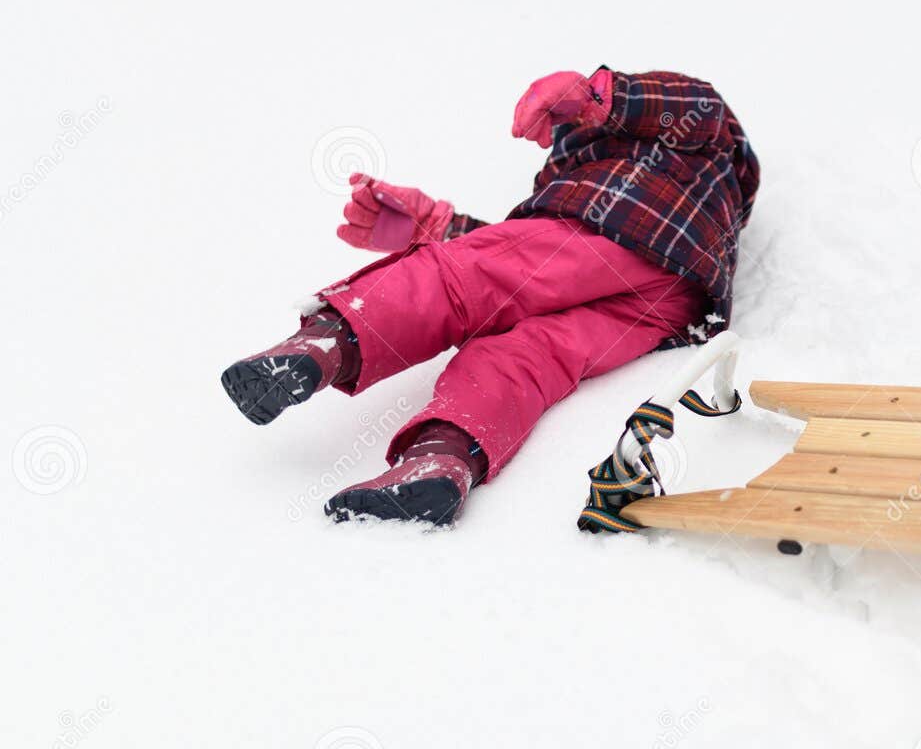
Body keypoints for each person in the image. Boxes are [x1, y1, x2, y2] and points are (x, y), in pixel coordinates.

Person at [220, 67, 759, 527]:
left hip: (618, 237)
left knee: (463, 280)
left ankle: (325, 345)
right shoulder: (575, 180)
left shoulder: (683, 140)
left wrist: (599, 96)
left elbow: (699, 106)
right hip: (671, 305)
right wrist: (433, 223)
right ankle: (442, 459)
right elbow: (523, 260)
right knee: (525, 355)